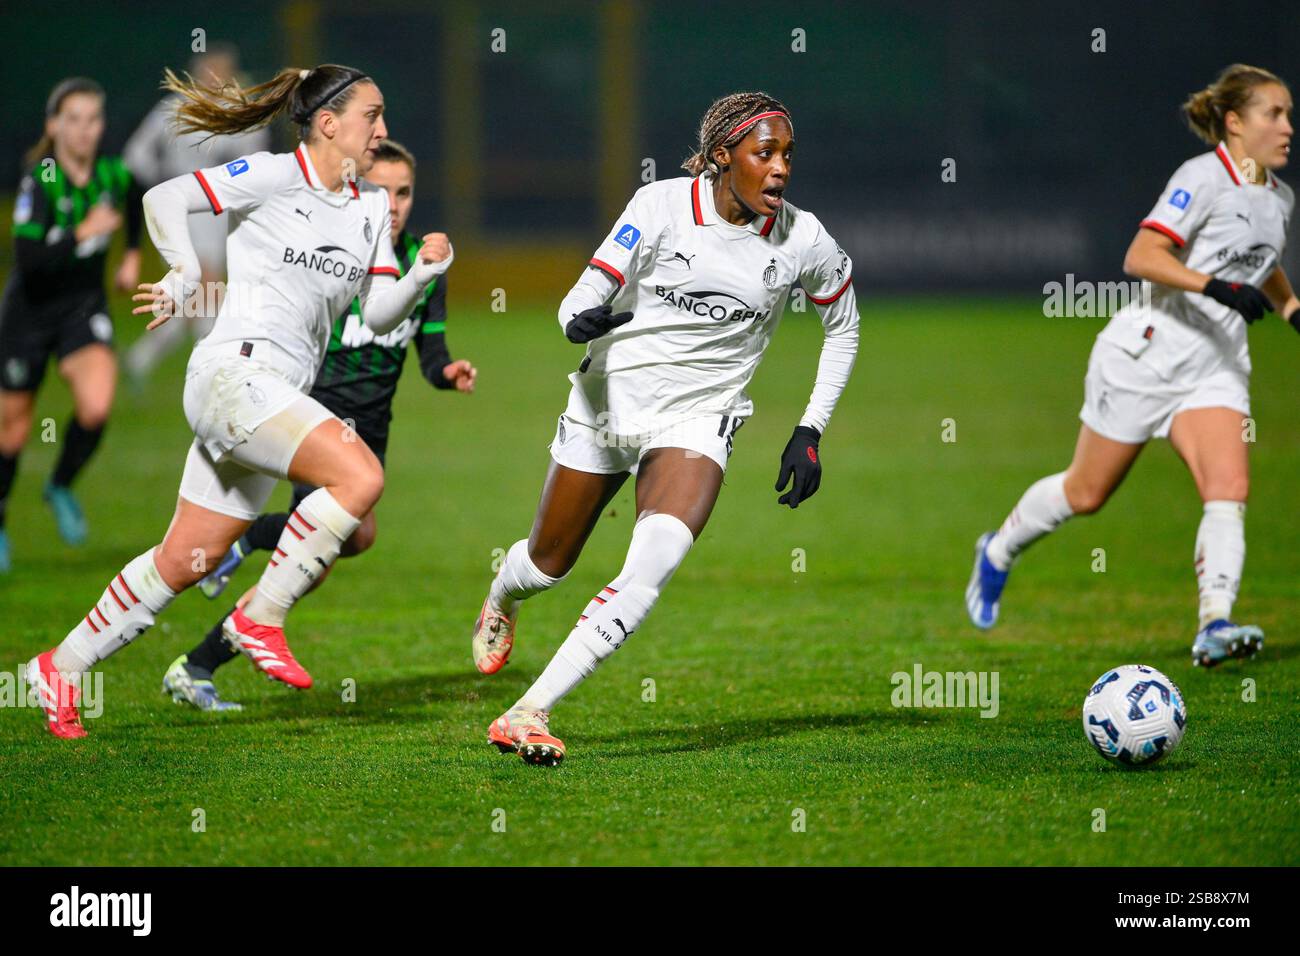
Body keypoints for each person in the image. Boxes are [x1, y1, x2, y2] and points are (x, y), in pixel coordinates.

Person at [23, 64, 452, 738]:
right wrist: (186, 270)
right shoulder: (276, 175)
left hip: (272, 398)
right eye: (373, 115)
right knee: (361, 475)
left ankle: (59, 667)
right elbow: (164, 198)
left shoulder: (370, 207)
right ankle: (261, 617)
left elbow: (376, 309)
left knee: (182, 561)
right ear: (329, 123)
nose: (384, 130)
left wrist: (423, 273)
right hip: (233, 376)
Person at [470, 92, 859, 765]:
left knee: (651, 564)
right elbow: (585, 291)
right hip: (608, 405)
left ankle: (528, 711)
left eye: (787, 154)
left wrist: (810, 427)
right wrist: (578, 320)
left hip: (699, 418)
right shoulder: (661, 207)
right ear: (719, 158)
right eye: (764, 153)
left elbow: (844, 324)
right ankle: (504, 592)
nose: (780, 169)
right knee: (546, 565)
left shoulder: (804, 238)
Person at [967, 64, 1297, 668]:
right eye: (1273, 114)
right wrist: (1215, 287)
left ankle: (1213, 625)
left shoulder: (1280, 198)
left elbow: (1260, 257)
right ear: (1233, 122)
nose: (1287, 127)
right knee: (1086, 493)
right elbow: (1141, 255)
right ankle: (998, 551)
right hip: (1146, 356)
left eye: (1288, 115)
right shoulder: (1201, 177)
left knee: (1230, 489)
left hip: (1215, 365)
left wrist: (1290, 305)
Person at [163, 139, 476, 711]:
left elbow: (429, 352)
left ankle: (207, 642)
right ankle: (206, 647)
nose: (395, 203)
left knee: (326, 559)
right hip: (315, 423)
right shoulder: (340, 258)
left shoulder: (421, 267)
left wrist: (448, 371)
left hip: (370, 434)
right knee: (339, 545)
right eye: (382, 189)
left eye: (404, 192)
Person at [0, 77, 142, 571]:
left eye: (93, 119)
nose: (84, 130)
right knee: (13, 432)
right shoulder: (39, 177)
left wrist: (131, 255)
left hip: (83, 308)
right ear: (53, 126)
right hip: (29, 314)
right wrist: (82, 231)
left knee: (96, 406)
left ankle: (59, 486)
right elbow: (28, 257)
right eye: (73, 119)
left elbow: (137, 198)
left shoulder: (112, 173)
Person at [122, 43, 272, 387]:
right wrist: (159, 189)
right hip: (182, 209)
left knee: (194, 294)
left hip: (216, 211)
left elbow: (257, 161)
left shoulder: (236, 113)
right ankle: (215, 366)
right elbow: (137, 157)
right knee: (205, 284)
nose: (214, 78)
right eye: (209, 70)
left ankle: (143, 358)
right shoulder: (173, 109)